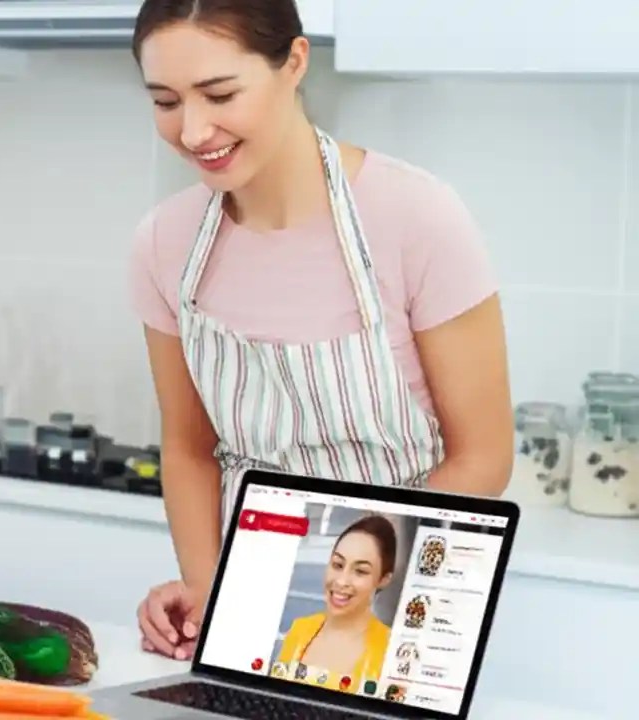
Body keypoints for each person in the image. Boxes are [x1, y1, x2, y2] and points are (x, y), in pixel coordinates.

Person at [128, 0, 514, 659]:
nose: (193, 131)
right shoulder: (165, 242)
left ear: (295, 63)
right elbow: (189, 448)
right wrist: (212, 592)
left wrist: (322, 587)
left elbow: (482, 456)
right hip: (250, 614)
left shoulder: (416, 216)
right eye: (166, 101)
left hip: (404, 594)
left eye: (220, 93)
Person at [272, 515, 398, 693]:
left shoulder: (391, 650)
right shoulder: (300, 630)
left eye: (360, 571)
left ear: (383, 579)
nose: (341, 581)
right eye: (338, 565)